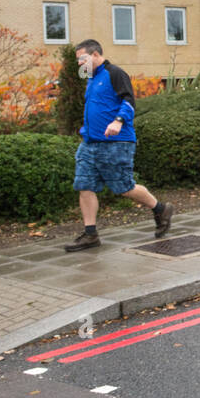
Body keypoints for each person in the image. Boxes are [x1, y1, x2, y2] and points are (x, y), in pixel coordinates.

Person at [65, 39, 171, 251]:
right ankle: (90, 234)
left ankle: (160, 209)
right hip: (89, 143)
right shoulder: (90, 78)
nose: (79, 63)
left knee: (123, 188)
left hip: (116, 142)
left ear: (95, 55)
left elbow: (129, 101)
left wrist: (118, 121)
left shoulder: (115, 73)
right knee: (84, 185)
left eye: (82, 59)